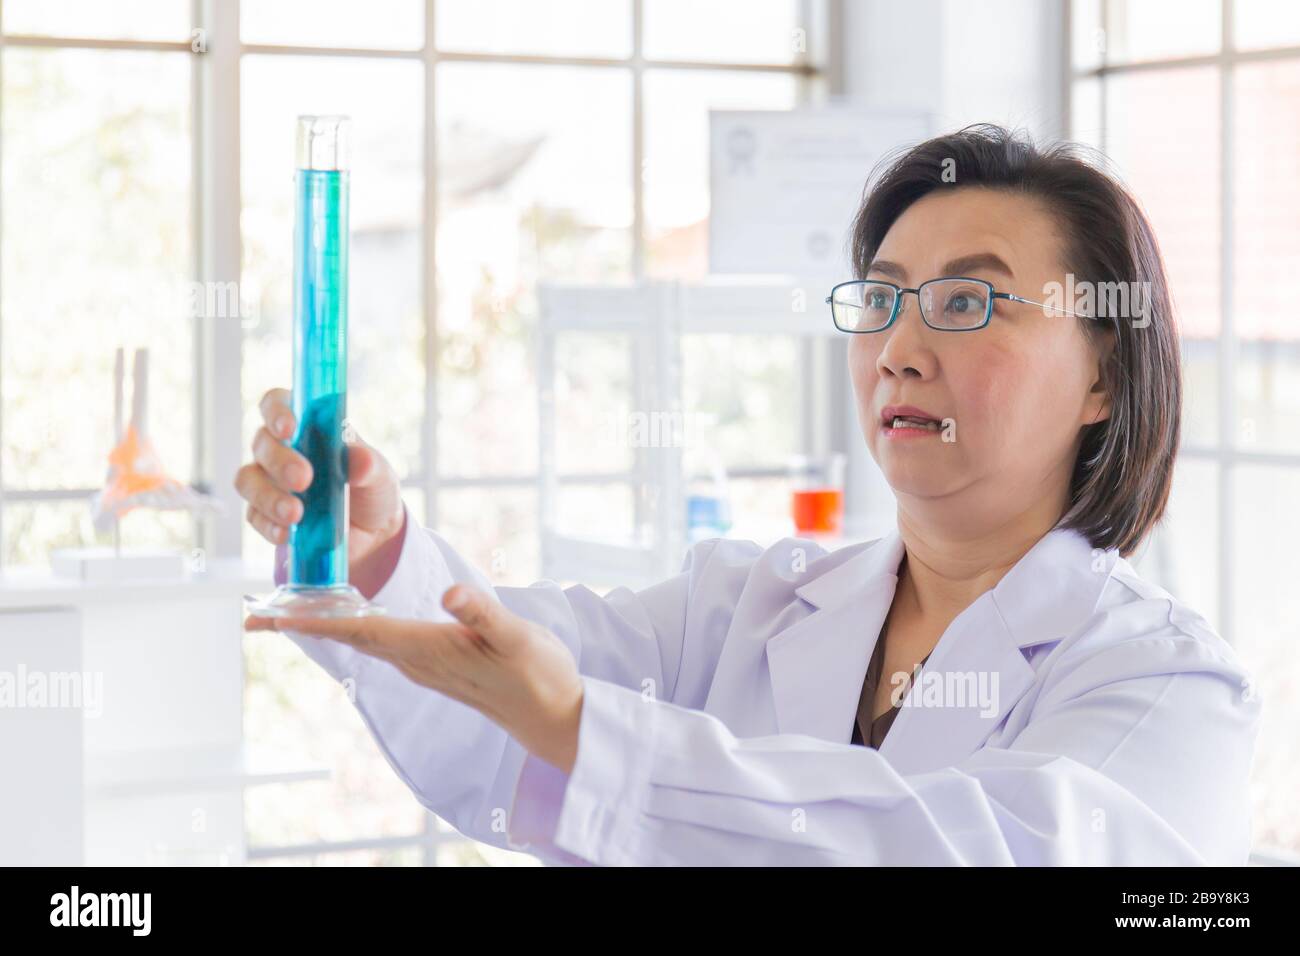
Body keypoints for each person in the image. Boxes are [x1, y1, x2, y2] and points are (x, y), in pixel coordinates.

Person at [237, 124, 1261, 866]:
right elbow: (508, 697)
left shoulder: (1165, 687)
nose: (899, 351)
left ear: (1103, 377)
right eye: (882, 298)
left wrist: (588, 731)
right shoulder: (747, 603)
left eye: (965, 300)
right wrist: (378, 553)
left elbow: (957, 851)